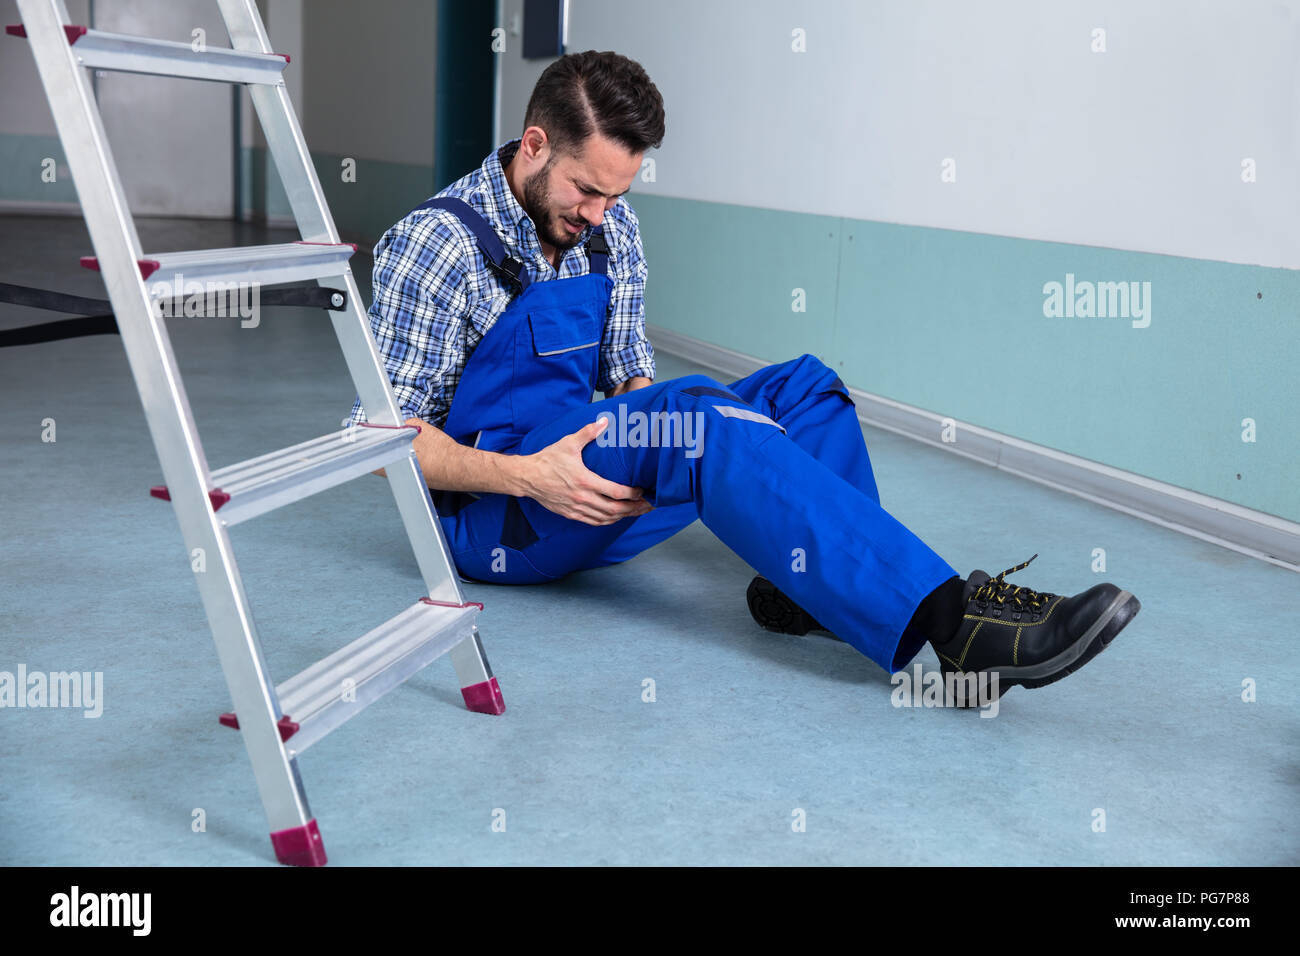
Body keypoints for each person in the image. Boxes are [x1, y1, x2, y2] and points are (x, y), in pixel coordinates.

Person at [345, 51, 1140, 705]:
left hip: (582, 475)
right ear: (534, 145)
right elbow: (384, 439)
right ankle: (954, 625)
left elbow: (629, 385)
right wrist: (528, 477)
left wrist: (649, 445)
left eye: (617, 194)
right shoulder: (435, 244)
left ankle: (809, 592)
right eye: (587, 189)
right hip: (498, 514)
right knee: (697, 415)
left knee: (802, 387)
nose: (599, 213)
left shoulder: (610, 228)